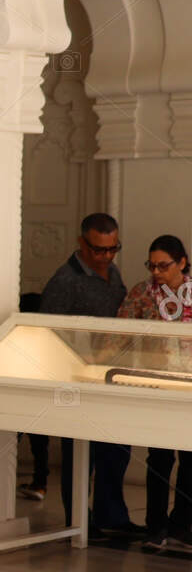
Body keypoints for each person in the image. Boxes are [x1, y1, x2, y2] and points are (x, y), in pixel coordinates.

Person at [39, 213, 142, 537]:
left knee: (115, 448)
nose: (107, 256)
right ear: (81, 243)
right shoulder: (64, 281)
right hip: (77, 379)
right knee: (80, 454)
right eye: (99, 250)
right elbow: (49, 332)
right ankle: (78, 522)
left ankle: (112, 516)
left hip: (111, 377)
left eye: (113, 249)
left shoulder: (112, 272)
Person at [118, 234, 192, 553]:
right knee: (158, 458)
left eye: (164, 266)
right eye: (152, 265)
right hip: (156, 384)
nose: (157, 272)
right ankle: (155, 527)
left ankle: (182, 526)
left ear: (182, 263)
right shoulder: (142, 293)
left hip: (189, 386)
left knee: (190, 460)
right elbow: (120, 331)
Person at [16, 290, 50, 502]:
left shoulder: (18, 338)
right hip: (41, 395)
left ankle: (39, 482)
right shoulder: (46, 337)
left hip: (23, 397)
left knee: (16, 437)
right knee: (39, 440)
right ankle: (40, 482)